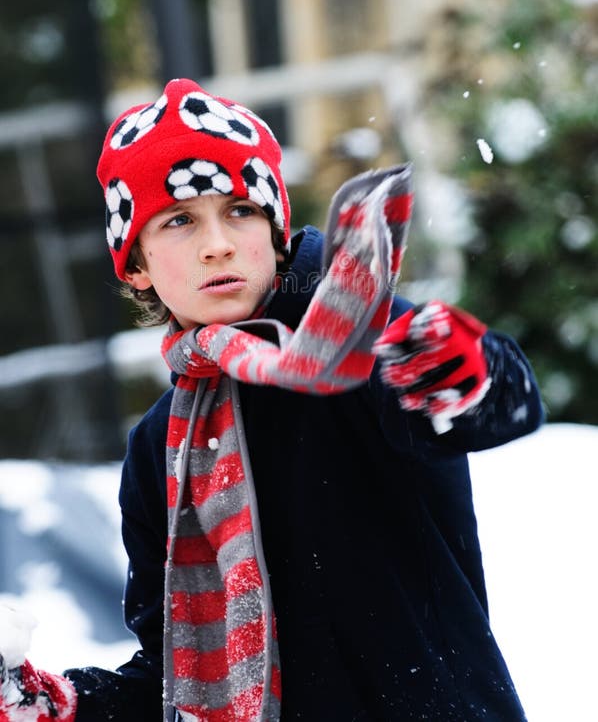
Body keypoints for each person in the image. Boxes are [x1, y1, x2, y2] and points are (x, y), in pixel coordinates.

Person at [0, 77, 544, 722]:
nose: (218, 242)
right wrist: (57, 705)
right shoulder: (158, 449)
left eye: (240, 210)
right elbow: (173, 678)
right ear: (137, 266)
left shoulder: (354, 348)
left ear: (275, 229)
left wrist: (458, 366)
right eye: (178, 221)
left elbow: (499, 404)